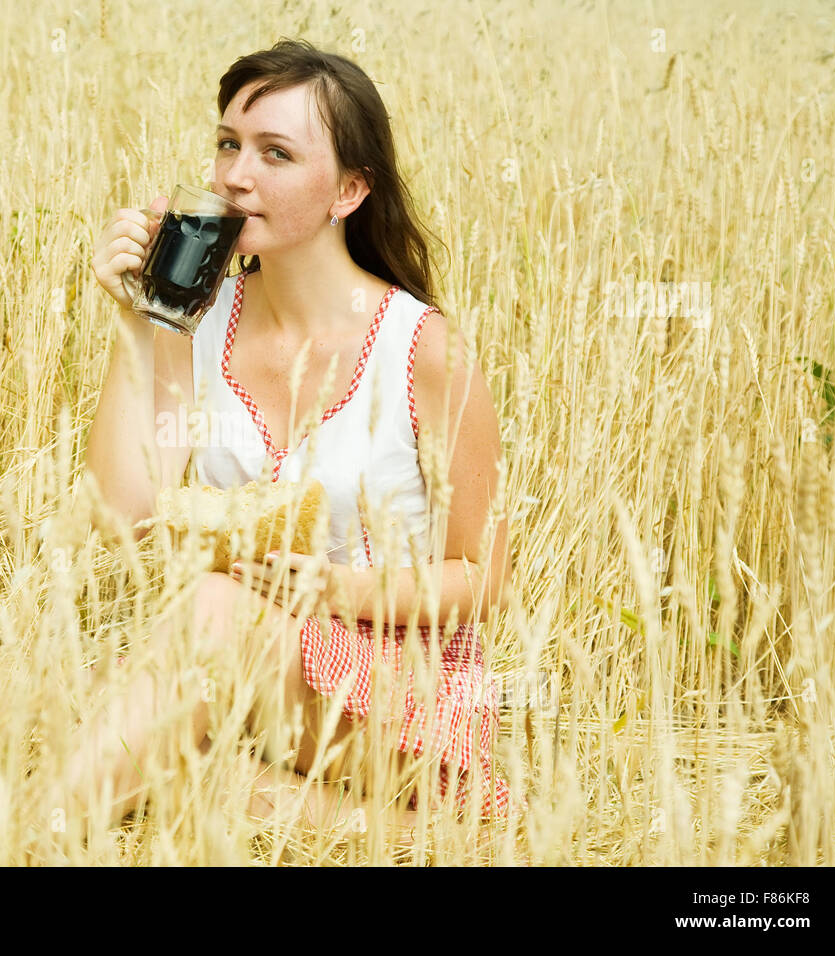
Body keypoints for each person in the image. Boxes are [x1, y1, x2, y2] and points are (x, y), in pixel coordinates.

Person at [65, 37, 515, 841]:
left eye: (276, 153)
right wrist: (138, 322)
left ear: (349, 189)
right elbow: (124, 517)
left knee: (209, 613)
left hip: (398, 685)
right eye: (228, 143)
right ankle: (397, 830)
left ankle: (30, 836)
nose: (235, 176)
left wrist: (339, 595)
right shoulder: (195, 324)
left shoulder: (425, 352)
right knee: (209, 627)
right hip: (251, 655)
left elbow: (482, 579)